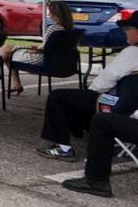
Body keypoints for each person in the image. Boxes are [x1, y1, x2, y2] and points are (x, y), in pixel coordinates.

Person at [38, 14, 138, 163]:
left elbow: (108, 77)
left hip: (114, 105)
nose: (124, 32)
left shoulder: (132, 52)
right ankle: (80, 127)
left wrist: (91, 90)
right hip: (131, 108)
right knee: (79, 99)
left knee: (58, 97)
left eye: (128, 28)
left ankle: (63, 148)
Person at [3, 0, 73, 95]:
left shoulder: (53, 29)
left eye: (50, 11)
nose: (49, 14)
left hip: (41, 60)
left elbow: (42, 50)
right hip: (59, 61)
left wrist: (30, 50)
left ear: (55, 13)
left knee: (7, 51)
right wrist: (35, 48)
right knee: (9, 48)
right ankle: (16, 84)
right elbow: (52, 47)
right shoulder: (70, 30)